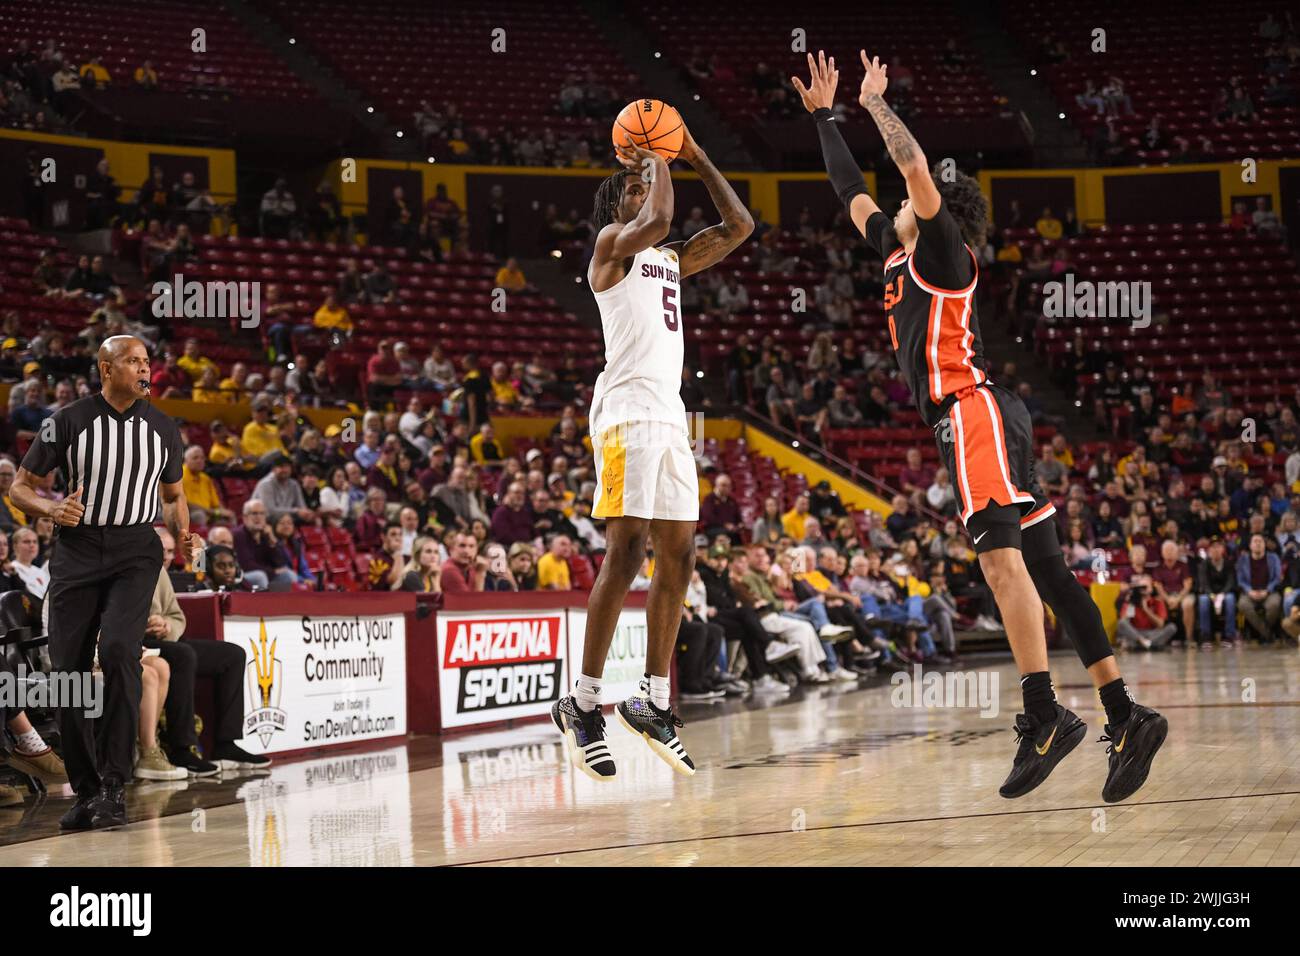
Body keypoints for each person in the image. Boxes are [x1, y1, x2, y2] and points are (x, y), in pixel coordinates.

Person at [798, 50, 1165, 802]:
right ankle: (1126, 716)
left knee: (1004, 568)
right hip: (992, 418)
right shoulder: (897, 254)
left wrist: (874, 104)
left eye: (914, 199)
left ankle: (1044, 715)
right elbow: (849, 190)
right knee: (1053, 576)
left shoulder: (943, 252)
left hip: (973, 414)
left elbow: (913, 171)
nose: (896, 203)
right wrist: (823, 118)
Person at [552, 119, 753, 781]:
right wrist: (655, 159)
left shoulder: (667, 259)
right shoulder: (612, 245)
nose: (649, 190)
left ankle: (653, 700)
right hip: (626, 414)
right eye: (636, 185)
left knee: (681, 553)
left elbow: (739, 226)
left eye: (650, 180)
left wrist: (693, 152)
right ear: (619, 205)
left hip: (669, 417)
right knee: (627, 548)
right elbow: (661, 216)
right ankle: (582, 703)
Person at [10, 335, 201, 830]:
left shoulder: (162, 427)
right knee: (68, 674)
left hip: (135, 549)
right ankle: (87, 790)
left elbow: (175, 495)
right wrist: (52, 508)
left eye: (146, 361)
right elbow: (19, 487)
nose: (144, 369)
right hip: (75, 549)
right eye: (134, 361)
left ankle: (116, 784)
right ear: (105, 368)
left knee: (118, 650)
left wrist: (183, 534)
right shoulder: (67, 421)